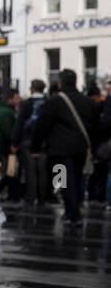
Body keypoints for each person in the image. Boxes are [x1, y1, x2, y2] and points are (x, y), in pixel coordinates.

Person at [33, 69, 97, 225]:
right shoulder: (87, 102)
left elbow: (42, 125)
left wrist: (35, 147)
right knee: (76, 179)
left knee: (64, 182)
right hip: (81, 149)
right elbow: (96, 126)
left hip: (59, 150)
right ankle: (74, 210)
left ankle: (72, 214)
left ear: (60, 83)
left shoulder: (55, 102)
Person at [15, 79, 48, 204]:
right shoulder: (48, 102)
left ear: (33, 88)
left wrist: (14, 142)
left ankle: (31, 196)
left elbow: (19, 123)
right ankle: (42, 197)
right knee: (43, 170)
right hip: (44, 141)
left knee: (30, 170)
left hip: (27, 140)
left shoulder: (26, 103)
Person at [0, 87, 21, 200]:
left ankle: (7, 191)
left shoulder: (10, 110)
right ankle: (5, 191)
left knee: (11, 170)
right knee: (11, 171)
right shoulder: (6, 112)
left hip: (8, 145)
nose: (19, 100)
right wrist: (13, 143)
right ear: (10, 99)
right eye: (16, 98)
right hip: (8, 146)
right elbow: (8, 130)